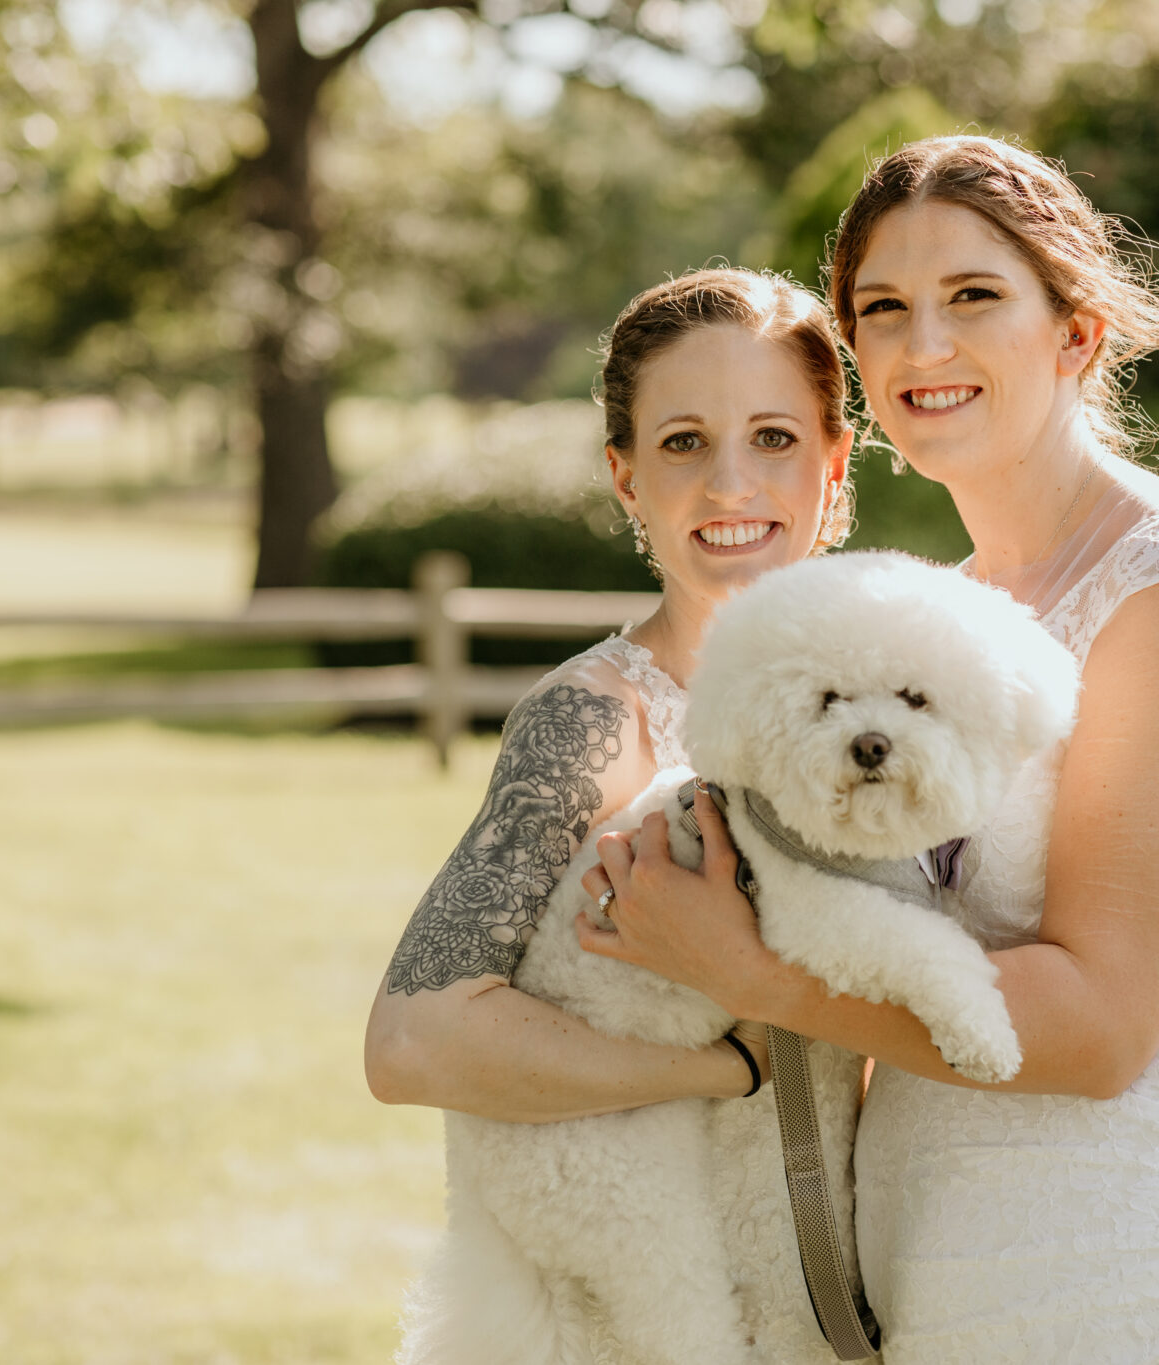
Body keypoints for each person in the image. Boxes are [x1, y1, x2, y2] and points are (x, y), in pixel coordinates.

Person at [577, 137, 1159, 1361]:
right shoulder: (943, 622)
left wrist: (749, 967)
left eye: (972, 297)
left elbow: (1105, 1024)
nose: (922, 348)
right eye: (883, 311)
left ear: (1073, 332)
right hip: (954, 1287)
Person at [363, 266, 852, 1122]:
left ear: (833, 460)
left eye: (772, 437)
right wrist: (727, 1068)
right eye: (684, 442)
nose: (731, 484)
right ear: (626, 478)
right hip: (681, 1238)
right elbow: (412, 1040)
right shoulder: (592, 718)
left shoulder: (900, 693)